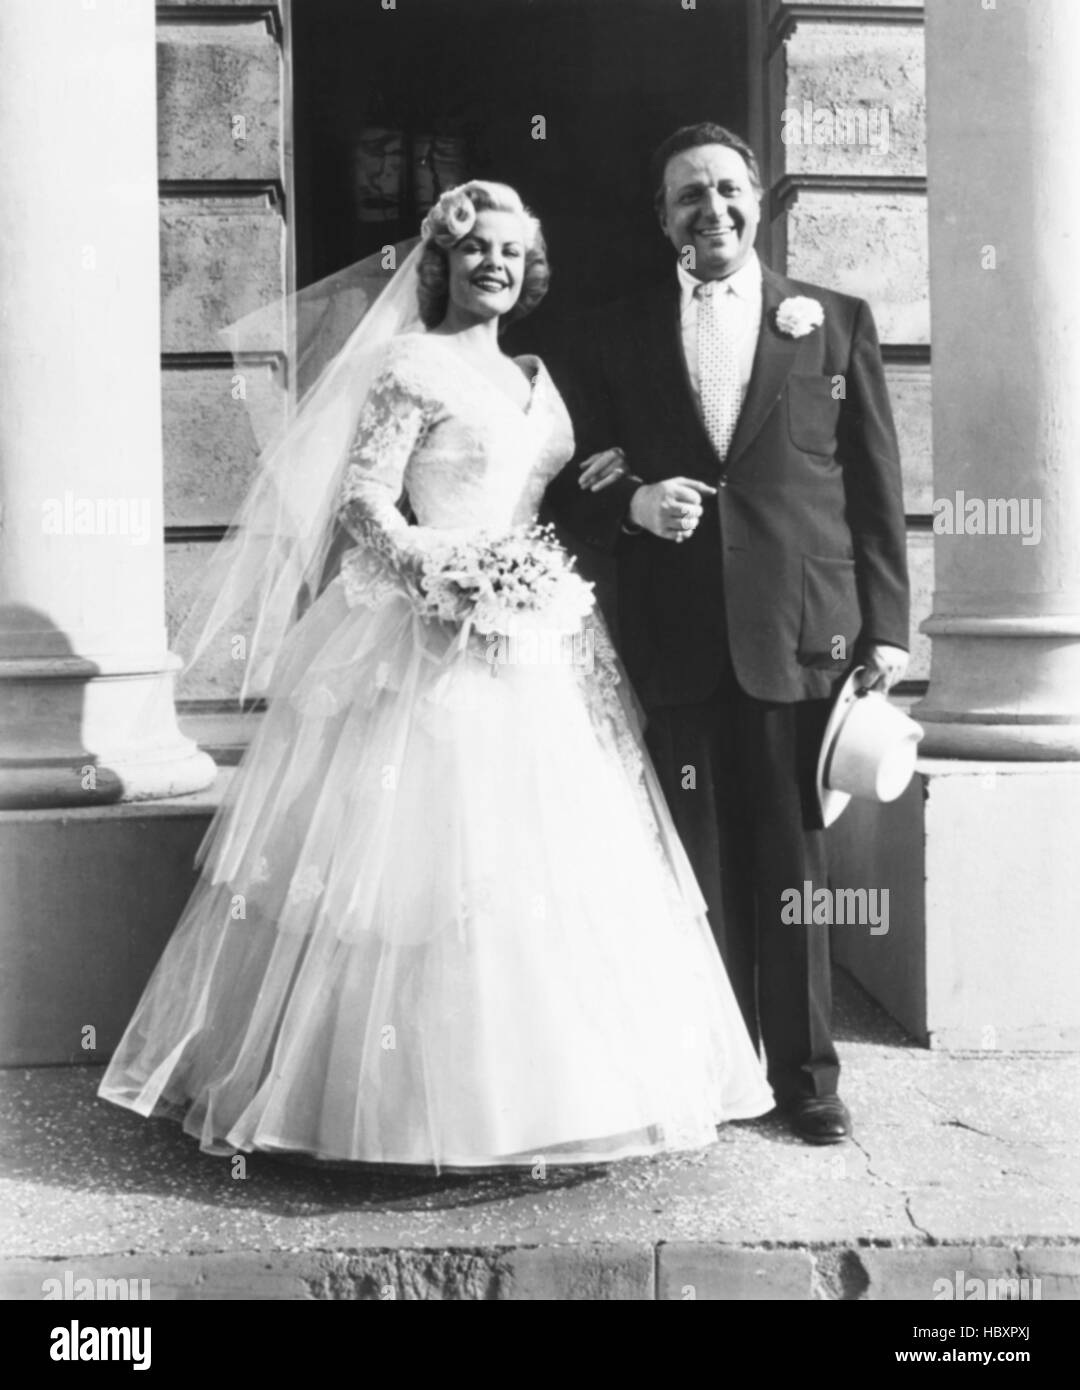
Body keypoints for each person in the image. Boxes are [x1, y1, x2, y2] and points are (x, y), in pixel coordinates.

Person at [98, 180, 773, 1168]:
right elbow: (366, 502)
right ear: (443, 267)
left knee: (545, 862)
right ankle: (398, 1110)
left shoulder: (538, 376)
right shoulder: (412, 364)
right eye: (476, 250)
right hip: (425, 630)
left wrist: (539, 559)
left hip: (536, 636)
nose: (495, 263)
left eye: (512, 250)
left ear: (529, 270)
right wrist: (443, 574)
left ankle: (556, 1095)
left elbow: (549, 489)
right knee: (419, 871)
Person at [546, 125, 910, 1145]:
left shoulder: (831, 324)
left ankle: (807, 1077)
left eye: (726, 188)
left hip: (801, 637)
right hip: (675, 635)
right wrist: (632, 504)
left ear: (759, 199)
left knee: (793, 867)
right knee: (696, 864)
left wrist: (886, 625)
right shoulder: (616, 334)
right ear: (662, 219)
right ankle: (713, 1065)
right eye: (687, 196)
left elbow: (875, 488)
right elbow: (577, 475)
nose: (711, 209)